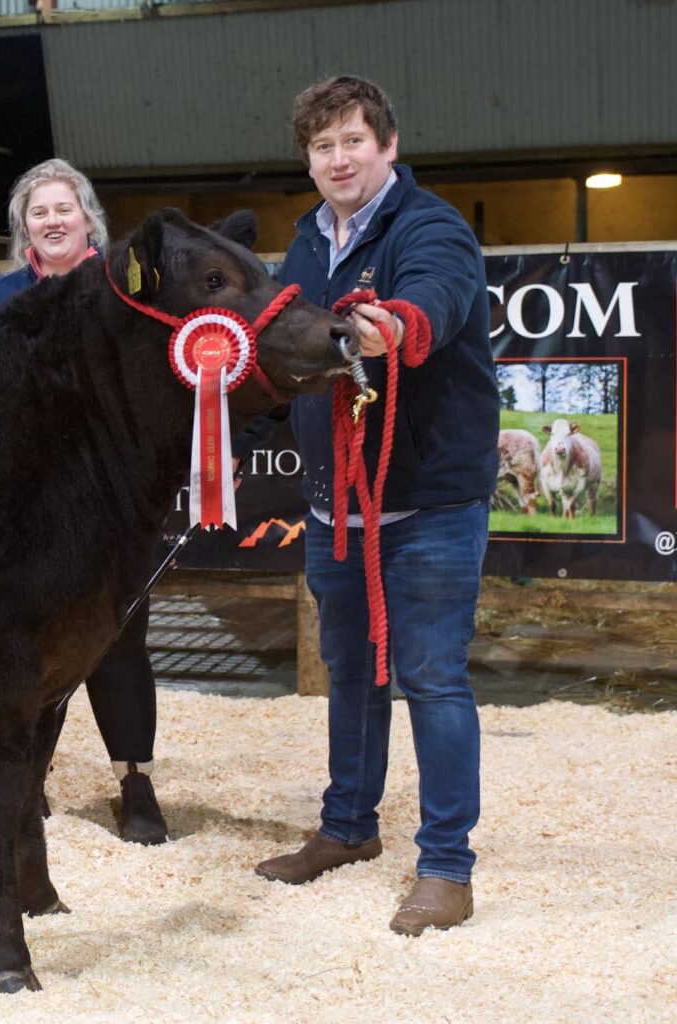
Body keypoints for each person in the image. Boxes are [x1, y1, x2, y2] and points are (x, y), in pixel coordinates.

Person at [252, 76, 498, 936]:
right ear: (310, 161)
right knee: (352, 675)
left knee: (432, 677)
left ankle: (446, 867)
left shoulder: (431, 226)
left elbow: (431, 301)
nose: (338, 158)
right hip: (335, 509)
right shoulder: (306, 244)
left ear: (388, 145)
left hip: (427, 500)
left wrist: (390, 324)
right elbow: (281, 347)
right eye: (322, 147)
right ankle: (349, 828)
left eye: (353, 140)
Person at [0, 158, 167, 844]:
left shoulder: (129, 298)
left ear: (88, 220)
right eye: (37, 211)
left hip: (109, 504)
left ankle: (135, 781)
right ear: (23, 228)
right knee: (24, 646)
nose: (51, 220)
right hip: (25, 510)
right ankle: (28, 778)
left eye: (63, 209)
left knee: (118, 638)